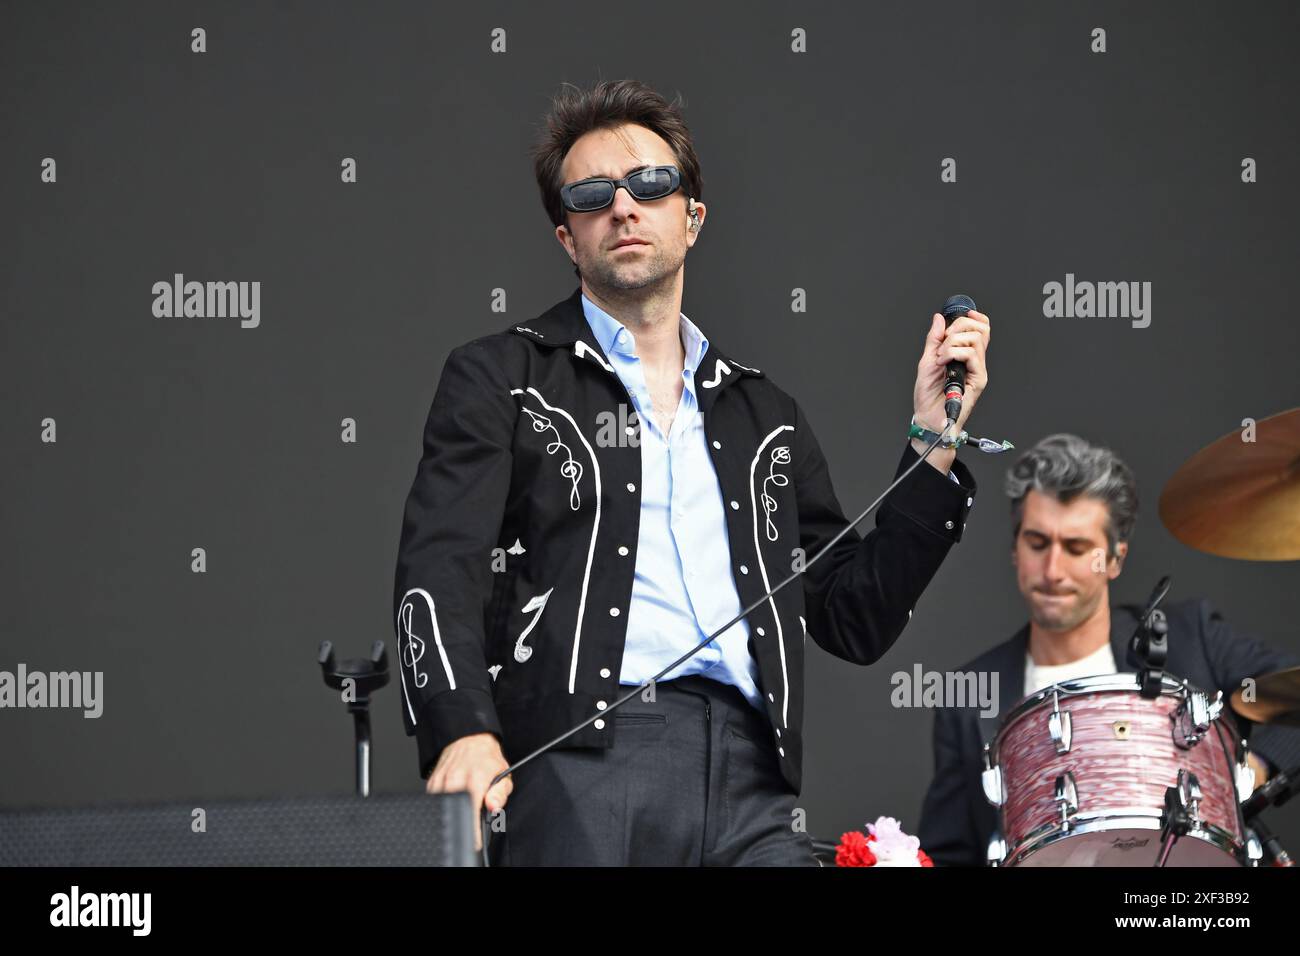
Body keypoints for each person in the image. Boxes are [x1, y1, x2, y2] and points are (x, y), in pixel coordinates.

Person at [393, 78, 991, 865]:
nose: (624, 206)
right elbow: (441, 564)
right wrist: (460, 728)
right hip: (580, 762)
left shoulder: (763, 414)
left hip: (754, 782)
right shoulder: (502, 376)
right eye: (591, 193)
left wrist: (934, 440)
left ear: (692, 217)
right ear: (567, 237)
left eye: (650, 183)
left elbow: (854, 616)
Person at [918, 433, 1300, 866]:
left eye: (1076, 548)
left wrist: (1249, 772)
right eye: (1037, 543)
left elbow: (1293, 696)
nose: (1052, 570)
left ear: (1116, 558)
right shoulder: (969, 697)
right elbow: (948, 854)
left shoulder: (1190, 637)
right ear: (1014, 548)